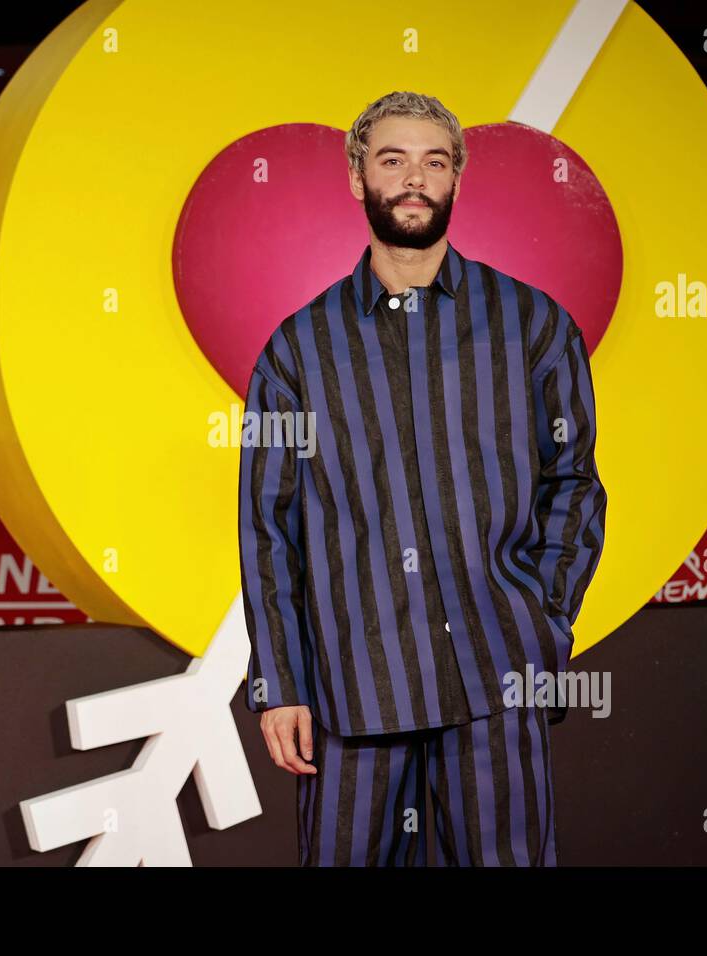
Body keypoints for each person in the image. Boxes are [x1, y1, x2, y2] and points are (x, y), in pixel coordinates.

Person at [238, 91, 607, 866]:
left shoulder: (533, 324)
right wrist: (280, 679)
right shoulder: (296, 350)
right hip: (350, 689)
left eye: (434, 162)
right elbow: (268, 528)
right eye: (393, 160)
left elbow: (574, 483)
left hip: (497, 682)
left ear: (456, 181)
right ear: (356, 177)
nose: (414, 179)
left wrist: (541, 626)